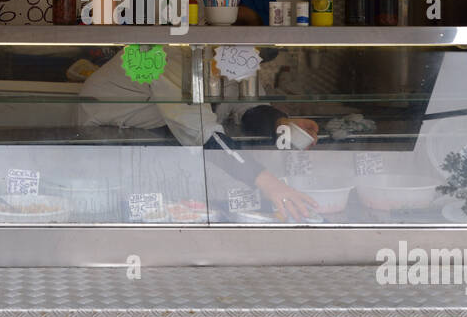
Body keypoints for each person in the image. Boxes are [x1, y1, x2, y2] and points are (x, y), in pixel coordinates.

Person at [78, 49, 319, 221]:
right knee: (129, 216)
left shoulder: (236, 54)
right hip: (112, 142)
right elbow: (203, 133)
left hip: (166, 141)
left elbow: (248, 107)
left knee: (176, 211)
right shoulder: (168, 53)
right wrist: (269, 183)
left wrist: (281, 123)